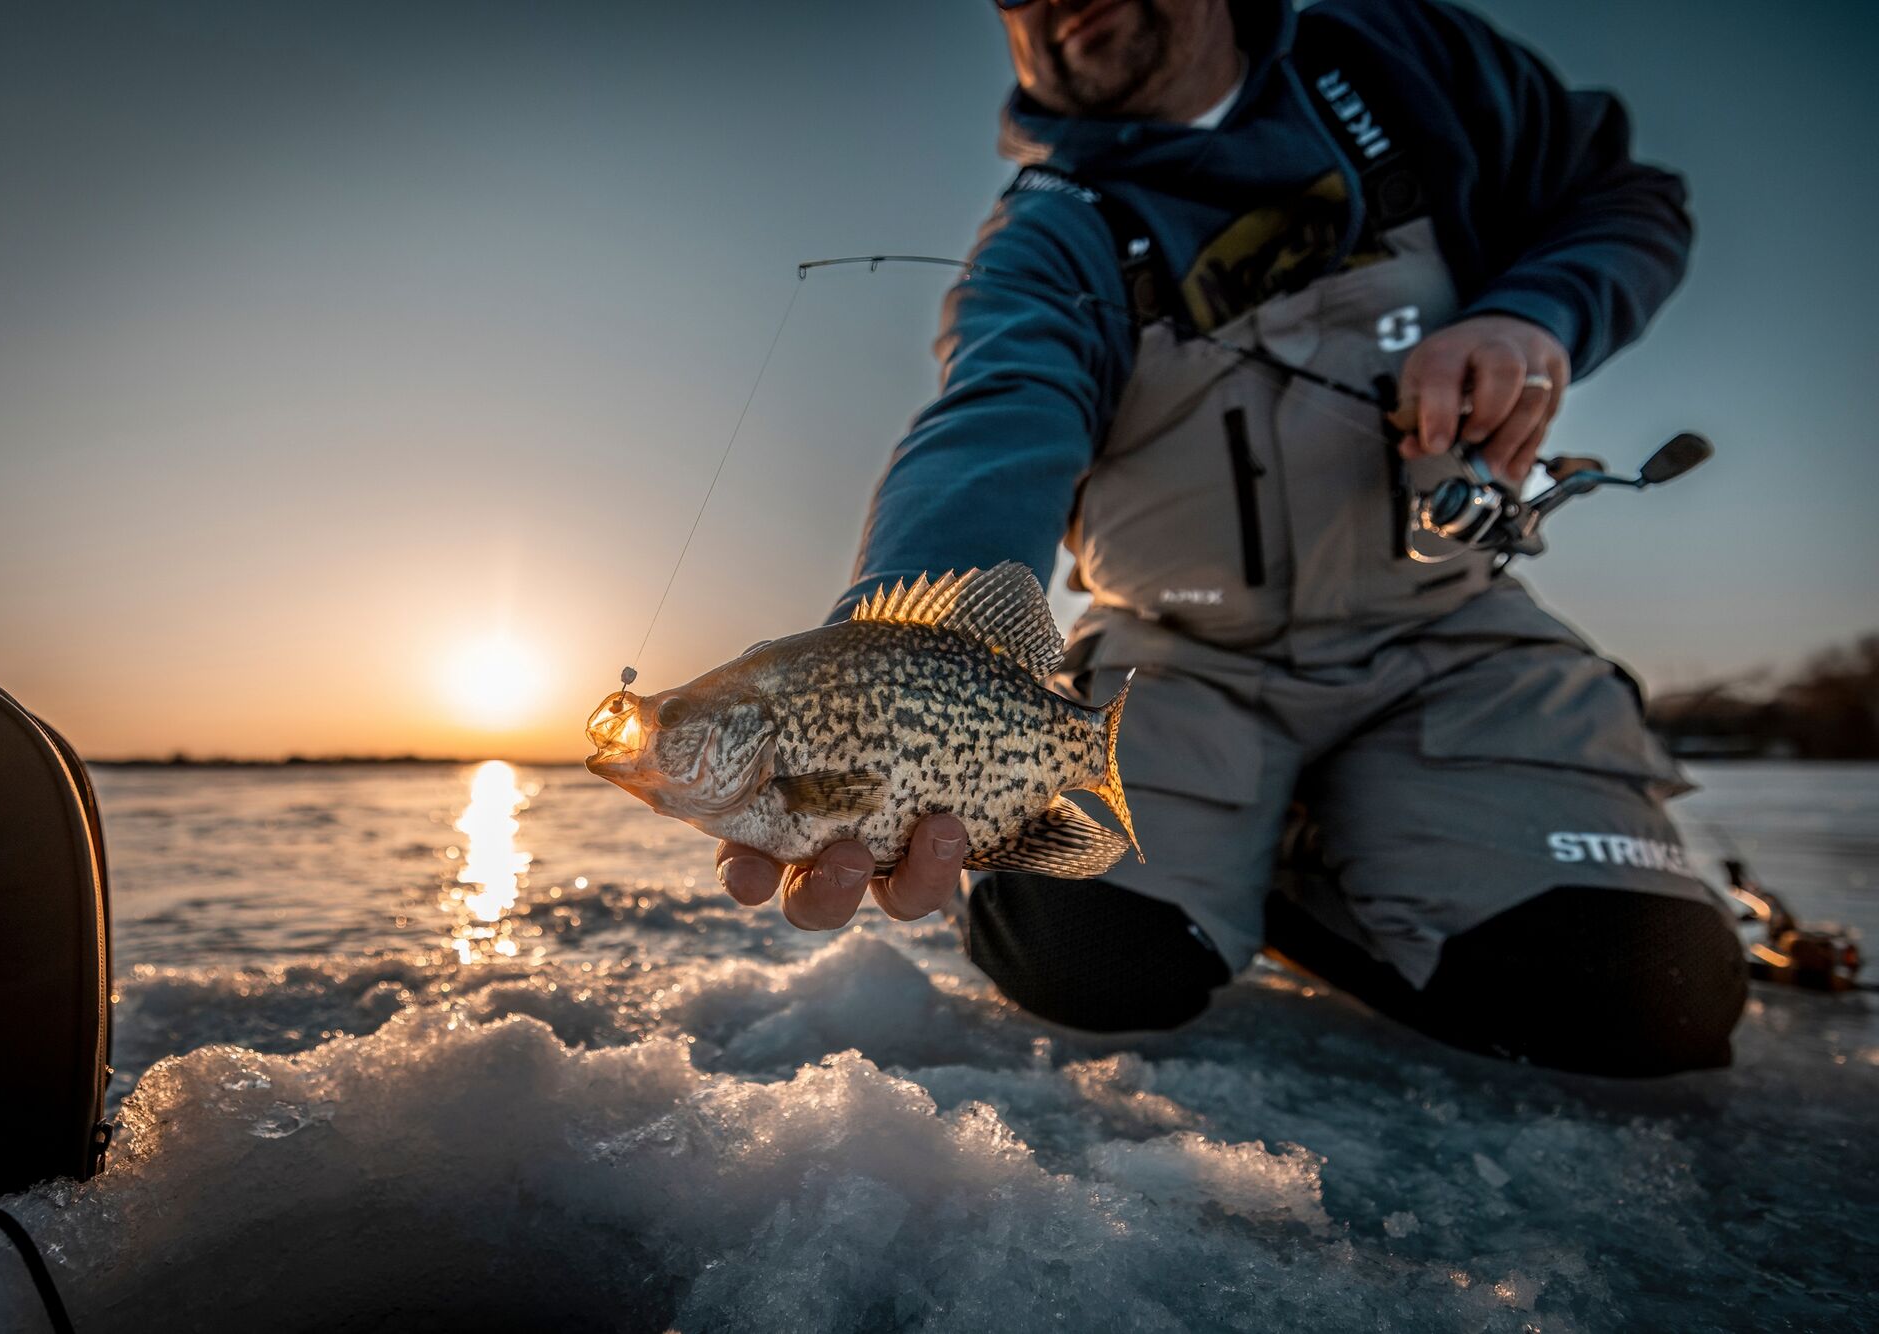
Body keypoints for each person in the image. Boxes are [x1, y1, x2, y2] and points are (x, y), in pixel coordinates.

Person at [716, 0, 1747, 1075]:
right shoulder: (1042, 241)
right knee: (1077, 955)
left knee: (1641, 994)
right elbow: (995, 421)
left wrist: (1536, 312)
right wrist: (885, 657)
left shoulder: (1409, 66)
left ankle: (1324, 831)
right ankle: (1270, 841)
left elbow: (1626, 201)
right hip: (1178, 668)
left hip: (1449, 640)